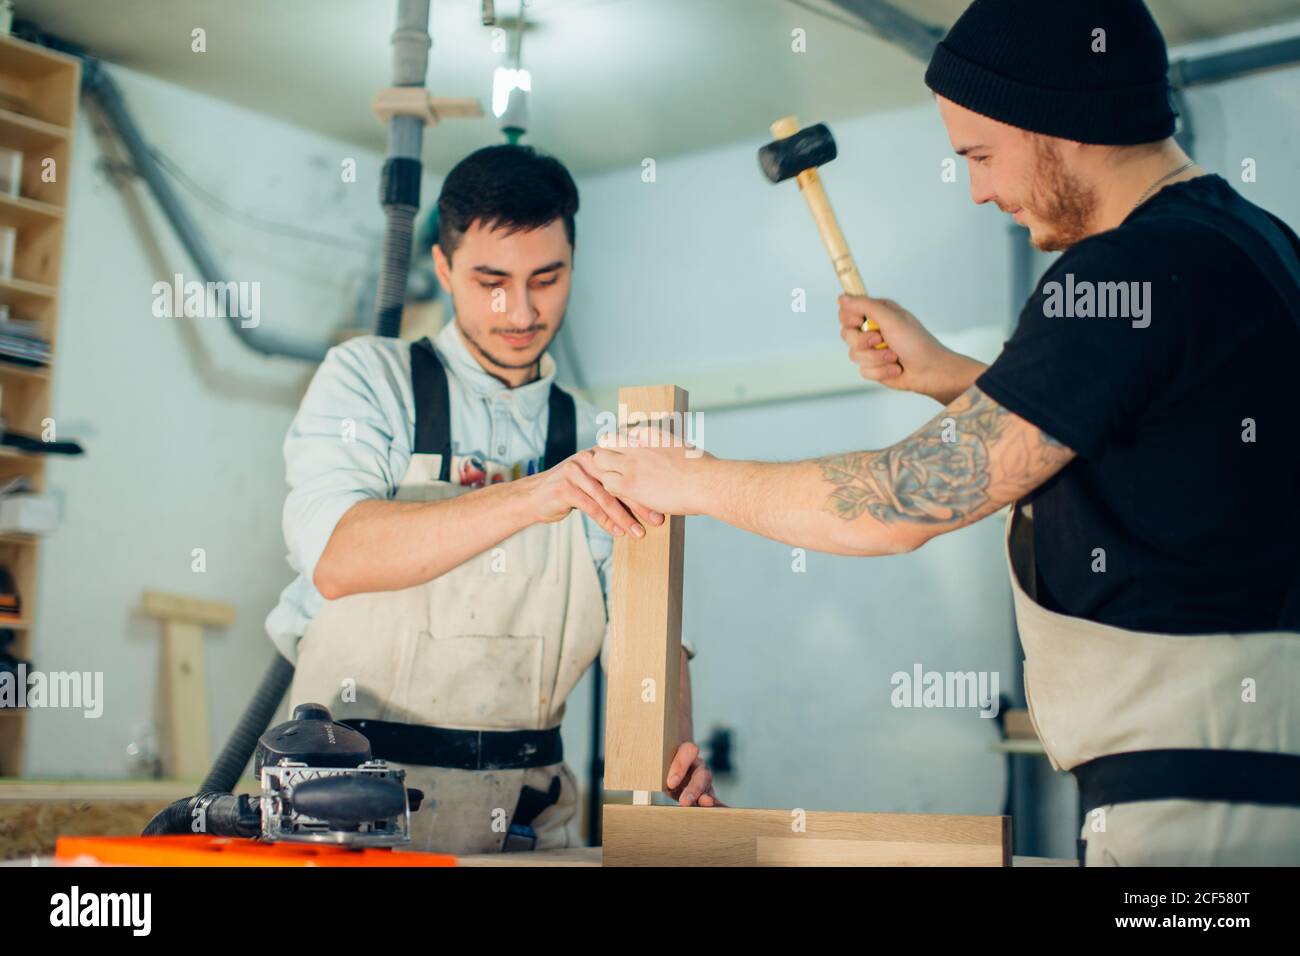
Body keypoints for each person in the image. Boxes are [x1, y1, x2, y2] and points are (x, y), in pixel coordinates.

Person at [590, 0, 1300, 865]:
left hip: (1208, 811)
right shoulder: (1254, 245)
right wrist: (953, 377)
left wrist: (691, 479)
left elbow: (894, 503)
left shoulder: (1128, 269)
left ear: (1063, 122)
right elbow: (1147, 442)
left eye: (980, 154)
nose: (978, 189)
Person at [266, 145, 718, 855]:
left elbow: (648, 636)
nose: (522, 310)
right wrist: (535, 494)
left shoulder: (600, 435)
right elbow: (337, 556)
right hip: (341, 818)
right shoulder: (369, 380)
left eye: (548, 277)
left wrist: (673, 759)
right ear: (444, 270)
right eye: (491, 280)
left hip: (521, 822)